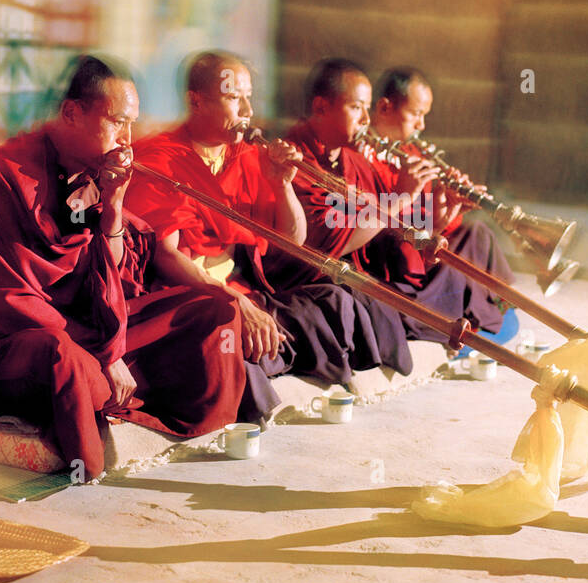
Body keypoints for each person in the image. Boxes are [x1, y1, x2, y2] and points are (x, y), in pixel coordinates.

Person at [0, 55, 246, 480]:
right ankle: (97, 428)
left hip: (94, 331)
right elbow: (9, 299)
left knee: (214, 311)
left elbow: (116, 280)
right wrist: (106, 352)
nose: (128, 138)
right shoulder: (1, 175)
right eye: (118, 122)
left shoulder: (96, 173)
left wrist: (115, 207)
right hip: (15, 343)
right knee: (62, 359)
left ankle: (138, 403)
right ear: (72, 112)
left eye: (132, 124)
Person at [126, 51, 412, 415]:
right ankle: (255, 365)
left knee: (332, 300)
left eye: (248, 97)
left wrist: (282, 186)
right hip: (189, 297)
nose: (246, 109)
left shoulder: (244, 156)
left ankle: (260, 358)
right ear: (195, 101)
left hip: (242, 292)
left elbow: (292, 242)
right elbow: (167, 256)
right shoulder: (162, 159)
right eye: (233, 97)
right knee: (225, 335)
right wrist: (237, 303)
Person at [283, 58, 509, 342]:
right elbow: (332, 237)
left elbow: (406, 226)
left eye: (365, 108)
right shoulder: (297, 158)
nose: (365, 119)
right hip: (340, 269)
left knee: (471, 242)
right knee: (381, 304)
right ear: (320, 108)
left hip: (389, 256)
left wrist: (449, 207)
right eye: (356, 108)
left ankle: (478, 313)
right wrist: (403, 199)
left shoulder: (356, 159)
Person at [369, 67, 519, 344]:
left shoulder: (413, 153)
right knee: (452, 269)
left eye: (424, 115)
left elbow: (433, 222)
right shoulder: (363, 155)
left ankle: (494, 308)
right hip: (391, 256)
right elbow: (379, 224)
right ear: (384, 107)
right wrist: (418, 210)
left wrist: (452, 208)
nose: (421, 126)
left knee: (477, 235)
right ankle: (468, 316)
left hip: (422, 243)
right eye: (416, 114)